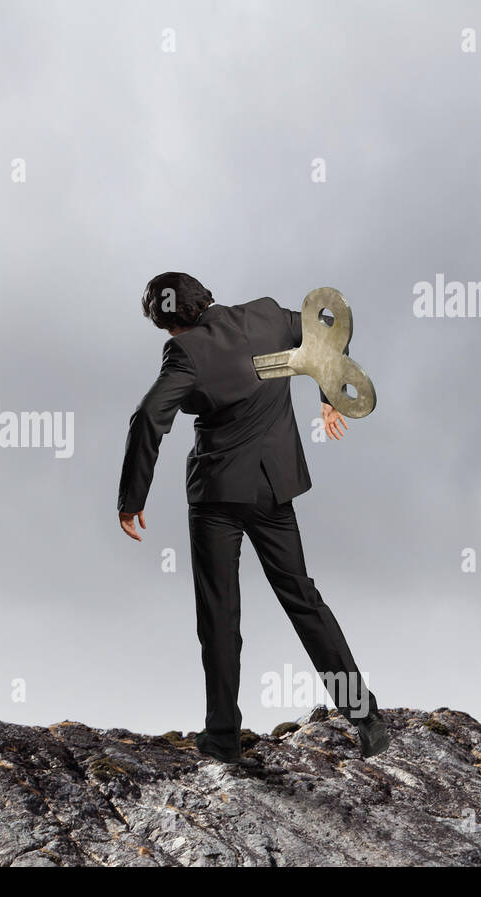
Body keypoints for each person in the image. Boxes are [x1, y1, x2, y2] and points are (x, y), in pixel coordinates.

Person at [116, 272, 390, 766]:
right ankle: (366, 718)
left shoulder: (186, 353)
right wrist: (328, 396)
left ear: (168, 324)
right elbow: (325, 331)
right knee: (304, 599)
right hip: (273, 488)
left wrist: (132, 498)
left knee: (220, 615)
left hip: (217, 497)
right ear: (204, 296)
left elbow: (147, 417)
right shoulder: (265, 315)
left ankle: (222, 738)